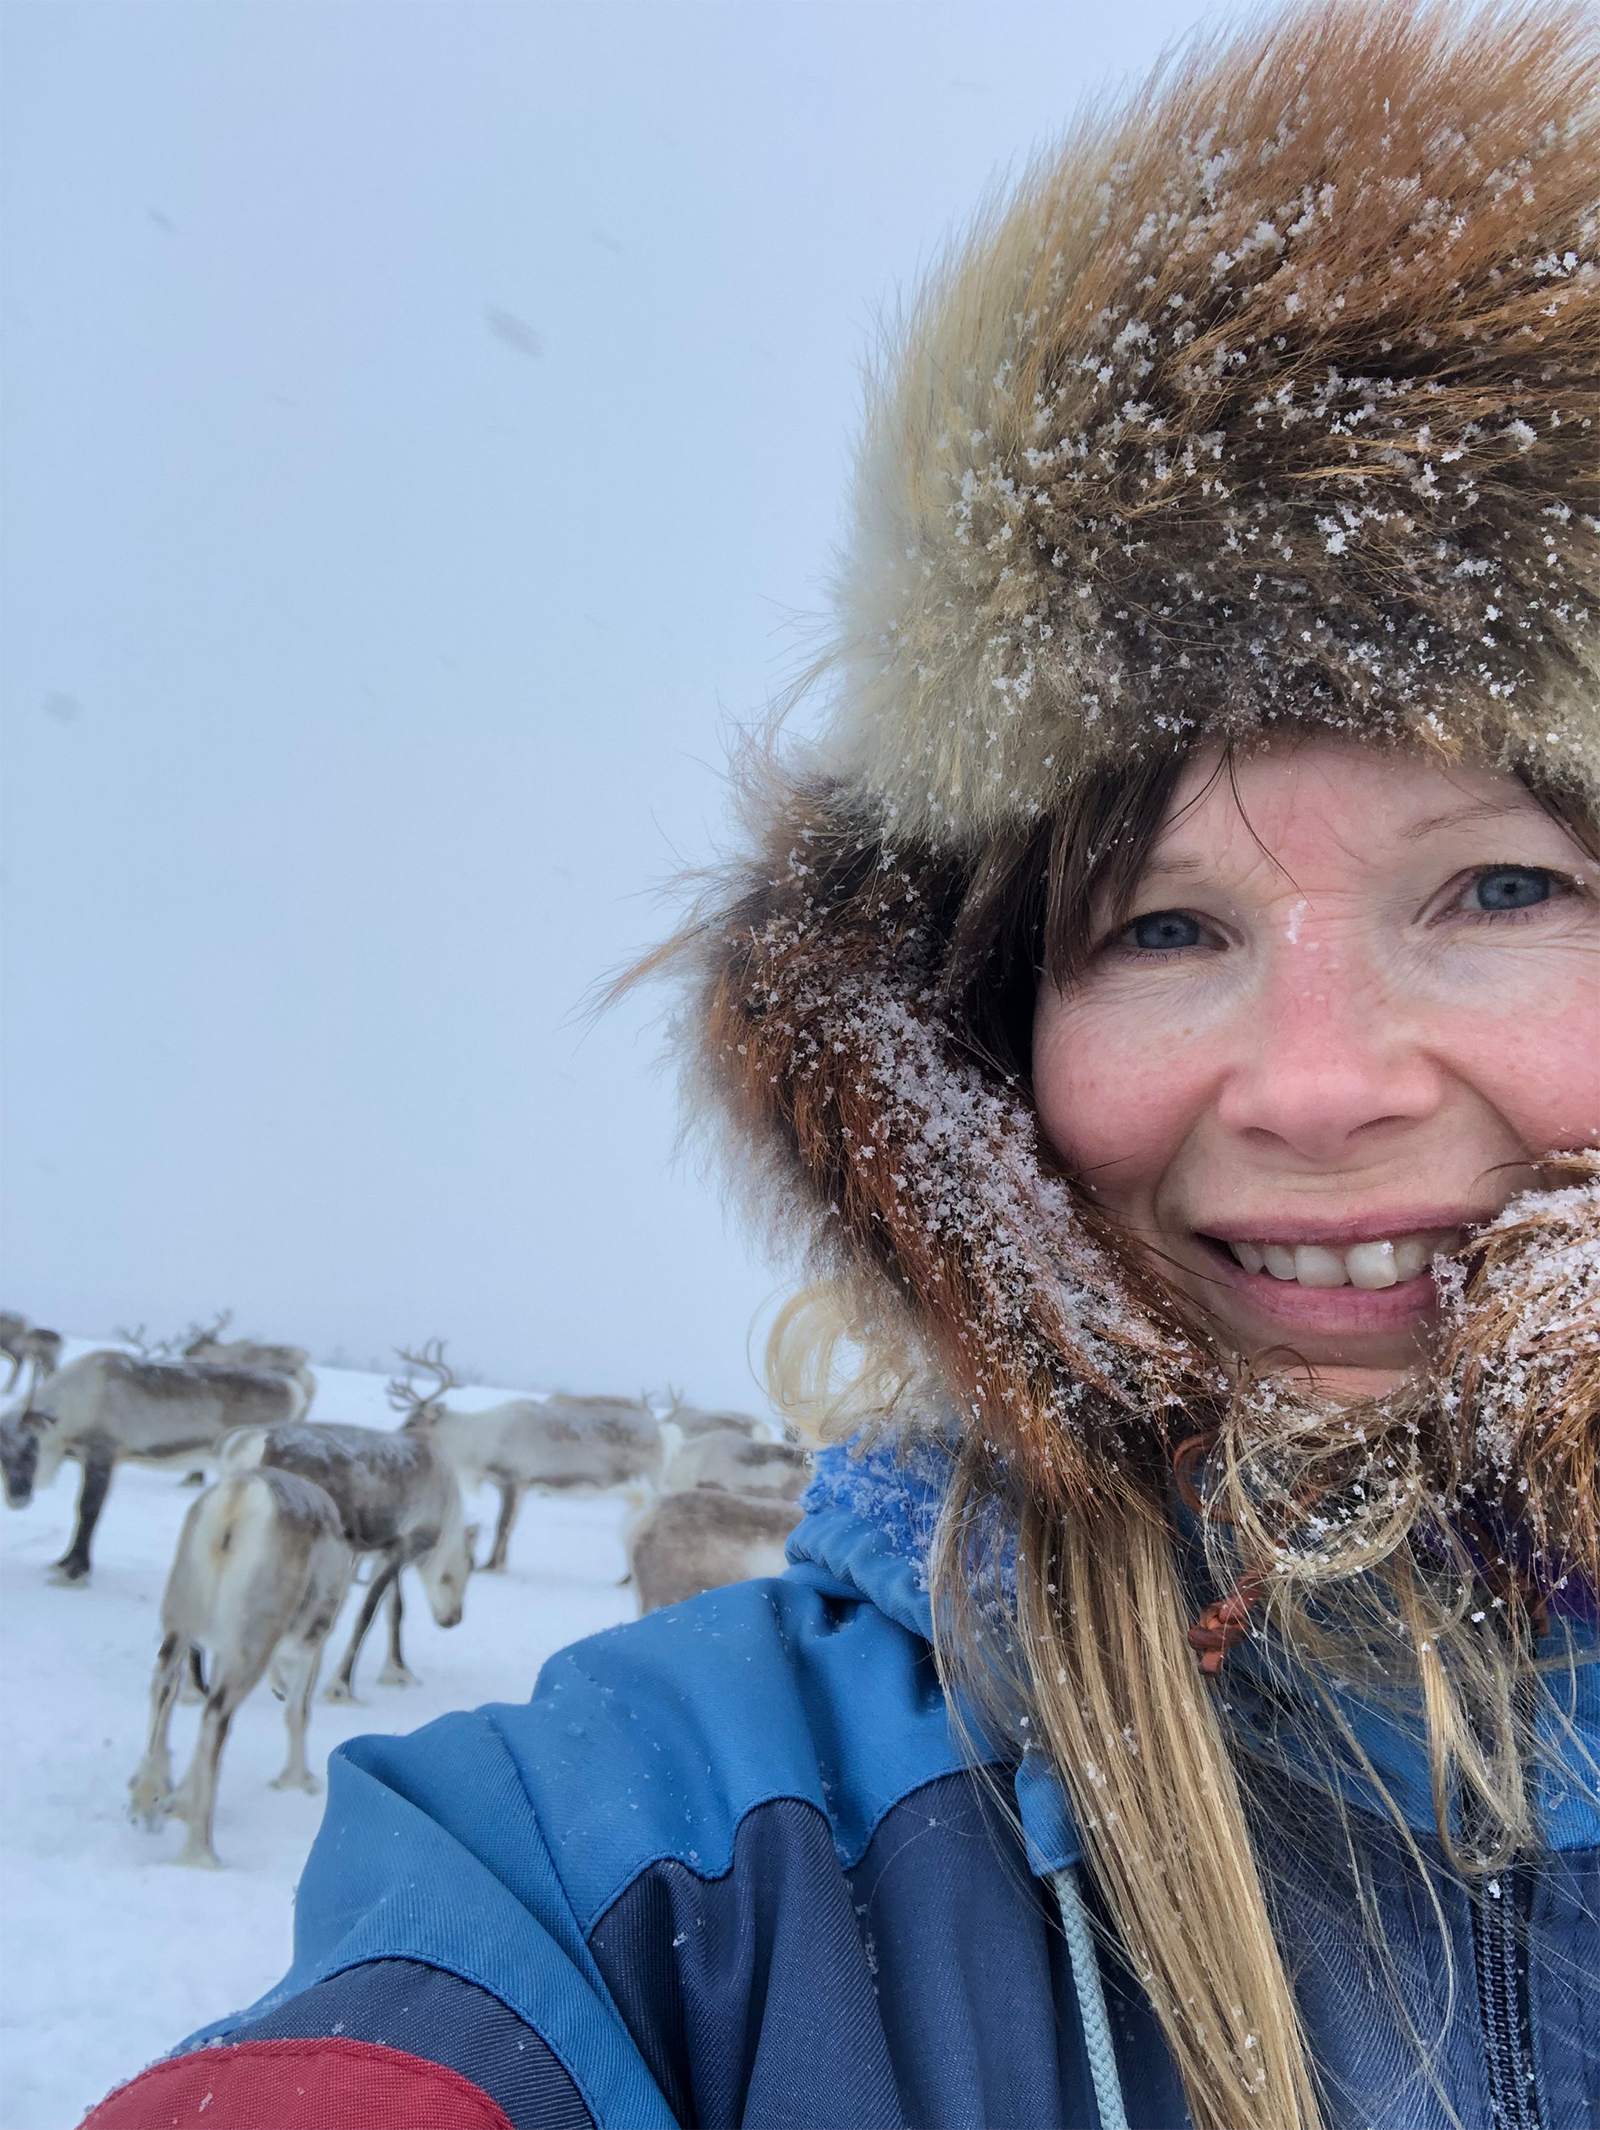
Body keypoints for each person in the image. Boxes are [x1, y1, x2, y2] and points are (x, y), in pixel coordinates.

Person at [86, 4, 1598, 2127]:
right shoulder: (663, 1870)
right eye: (1160, 928)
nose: (1317, 1087)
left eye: (1501, 890)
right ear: (971, 1050)